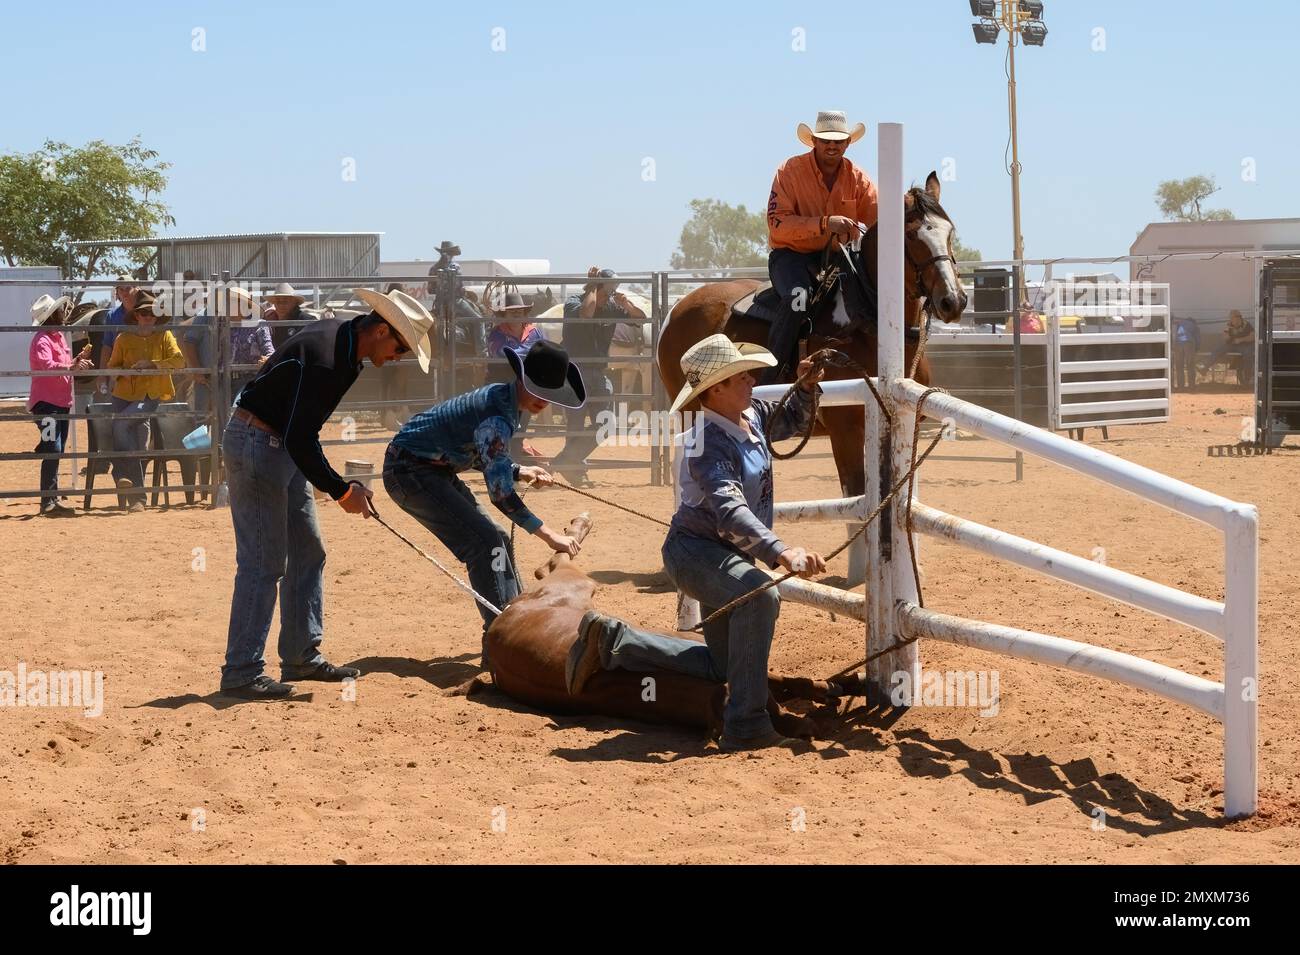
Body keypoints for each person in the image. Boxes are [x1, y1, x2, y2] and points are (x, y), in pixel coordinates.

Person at [566, 334, 827, 751]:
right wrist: (780, 550)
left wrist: (807, 386)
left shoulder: (752, 415)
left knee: (723, 664)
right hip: (696, 555)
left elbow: (794, 420)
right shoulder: (706, 443)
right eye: (740, 376)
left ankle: (616, 642)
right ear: (715, 389)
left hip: (715, 554)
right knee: (760, 598)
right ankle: (746, 724)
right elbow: (731, 511)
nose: (752, 380)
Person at [220, 289, 433, 700]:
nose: (399, 357)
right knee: (264, 561)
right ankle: (242, 670)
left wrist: (340, 488)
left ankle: (301, 653)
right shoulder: (329, 356)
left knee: (307, 549)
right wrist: (340, 490)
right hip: (260, 443)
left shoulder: (342, 347)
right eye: (401, 346)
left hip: (272, 442)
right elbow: (302, 435)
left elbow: (301, 433)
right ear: (382, 330)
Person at [383, 340, 586, 661]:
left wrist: (517, 470)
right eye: (538, 390)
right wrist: (550, 536)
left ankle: (517, 623)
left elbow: (480, 454)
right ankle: (503, 638)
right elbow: (501, 494)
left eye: (549, 394)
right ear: (521, 379)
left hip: (426, 467)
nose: (543, 401)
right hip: (410, 470)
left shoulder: (501, 401)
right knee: (485, 542)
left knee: (497, 539)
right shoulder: (498, 418)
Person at [763, 110, 879, 384]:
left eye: (838, 140)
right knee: (798, 298)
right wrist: (825, 224)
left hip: (840, 259)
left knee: (871, 298)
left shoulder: (858, 178)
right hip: (792, 256)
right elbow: (777, 223)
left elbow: (877, 221)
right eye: (826, 140)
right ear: (814, 141)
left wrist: (860, 229)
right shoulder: (789, 172)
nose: (832, 145)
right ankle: (771, 378)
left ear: (848, 143)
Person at [552, 267, 644, 485]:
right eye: (607, 289)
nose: (609, 294)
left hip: (598, 370)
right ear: (597, 286)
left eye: (611, 290)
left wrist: (626, 304)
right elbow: (587, 313)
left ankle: (566, 460)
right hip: (575, 370)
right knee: (575, 421)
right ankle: (576, 470)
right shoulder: (576, 301)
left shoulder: (612, 306)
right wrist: (593, 285)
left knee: (606, 423)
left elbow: (640, 319)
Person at [104, 290, 186, 512]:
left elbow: (179, 361)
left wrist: (152, 364)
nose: (148, 317)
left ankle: (120, 473)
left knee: (121, 425)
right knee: (139, 443)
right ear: (136, 316)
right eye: (143, 313)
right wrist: (127, 371)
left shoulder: (166, 336)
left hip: (149, 396)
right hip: (123, 395)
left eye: (152, 313)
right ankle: (137, 498)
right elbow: (112, 367)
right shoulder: (123, 338)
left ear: (157, 317)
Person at [28, 294, 94, 516]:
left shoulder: (56, 337)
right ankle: (48, 500)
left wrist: (75, 363)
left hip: (59, 402)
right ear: (51, 316)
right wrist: (71, 366)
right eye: (59, 311)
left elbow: (61, 366)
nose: (63, 313)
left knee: (55, 448)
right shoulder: (43, 340)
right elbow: (49, 366)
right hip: (47, 403)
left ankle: (51, 499)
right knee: (54, 449)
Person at [484, 287, 545, 457]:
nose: (517, 314)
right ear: (504, 315)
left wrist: (523, 353)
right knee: (504, 430)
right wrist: (531, 353)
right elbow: (501, 353)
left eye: (519, 311)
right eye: (512, 312)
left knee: (519, 430)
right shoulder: (496, 333)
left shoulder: (534, 331)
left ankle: (514, 467)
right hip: (501, 389)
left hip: (525, 388)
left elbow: (545, 351)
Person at [1200, 309, 1255, 386]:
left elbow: (1253, 337)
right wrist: (1227, 337)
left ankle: (1247, 378)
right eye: (1231, 318)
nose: (1231, 320)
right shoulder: (1229, 324)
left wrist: (1241, 340)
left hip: (1244, 345)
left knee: (1248, 354)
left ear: (1238, 318)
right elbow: (1225, 336)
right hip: (1232, 345)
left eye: (1233, 318)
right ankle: (1205, 368)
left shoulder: (1246, 324)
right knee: (1218, 350)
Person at [96, 275, 136, 377]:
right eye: (121, 289)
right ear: (117, 293)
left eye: (128, 288)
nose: (124, 292)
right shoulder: (112, 315)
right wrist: (102, 375)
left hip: (140, 366)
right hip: (119, 369)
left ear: (135, 289)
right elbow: (107, 346)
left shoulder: (145, 312)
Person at [265, 283, 311, 351]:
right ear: (274, 304)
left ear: (295, 302)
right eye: (278, 302)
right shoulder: (272, 322)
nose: (281, 305)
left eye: (285, 301)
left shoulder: (306, 320)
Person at [1172, 316, 1201, 392]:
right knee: (1190, 365)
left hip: (1178, 343)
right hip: (1189, 343)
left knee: (1179, 366)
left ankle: (1180, 387)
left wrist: (1173, 346)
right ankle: (1191, 386)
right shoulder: (1195, 326)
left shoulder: (1179, 324)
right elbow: (1198, 338)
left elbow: (1174, 335)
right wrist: (1197, 348)